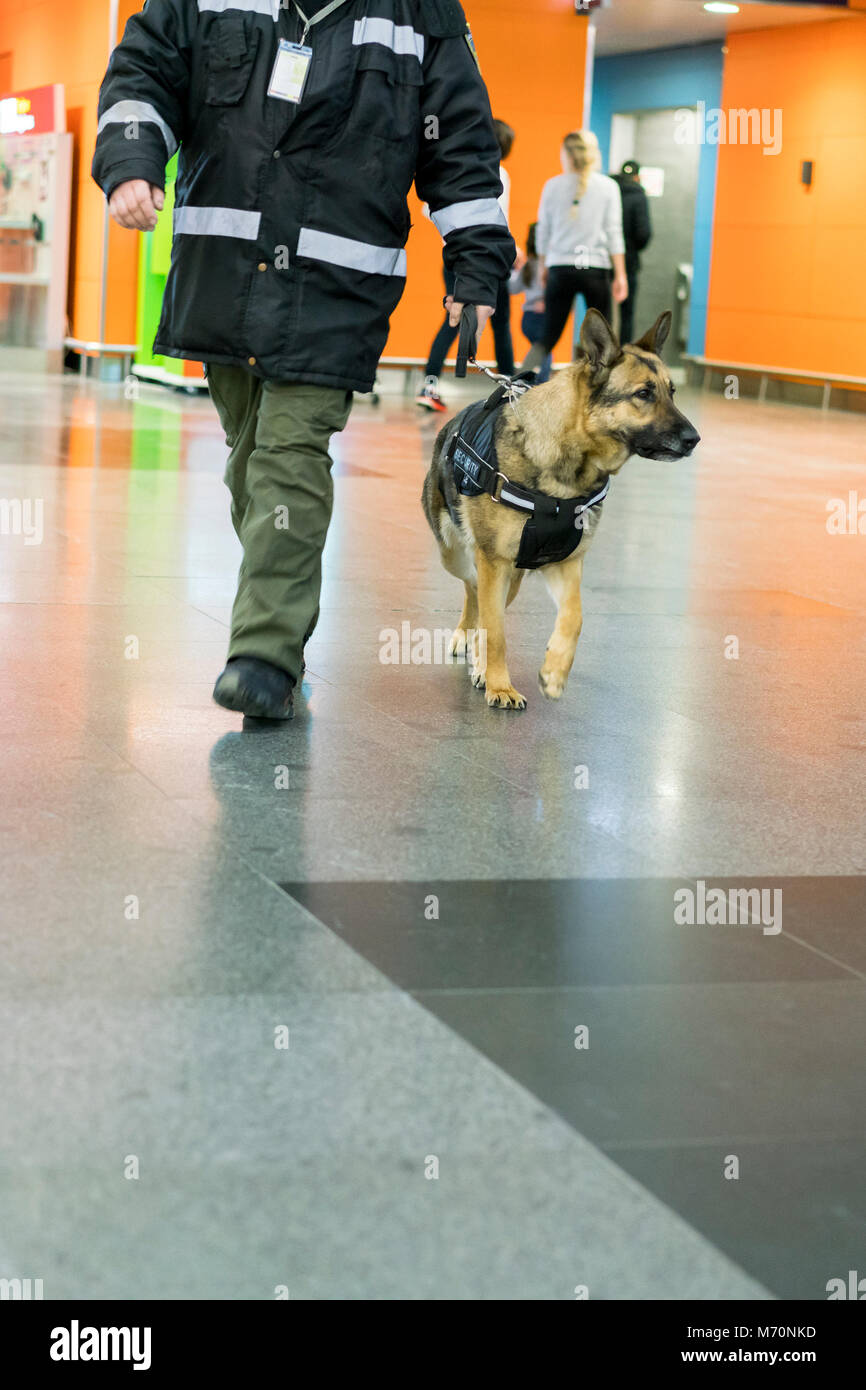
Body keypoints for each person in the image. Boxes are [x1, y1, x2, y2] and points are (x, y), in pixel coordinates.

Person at [93, 0, 515, 720]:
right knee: (250, 459)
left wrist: (476, 266)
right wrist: (132, 161)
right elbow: (147, 71)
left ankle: (265, 653)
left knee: (289, 452)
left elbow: (462, 140)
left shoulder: (422, 14)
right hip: (225, 276)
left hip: (337, 283)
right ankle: (279, 614)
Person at [416, 117, 518, 412]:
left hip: (454, 257)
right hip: (487, 261)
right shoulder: (499, 172)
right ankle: (509, 387)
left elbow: (428, 208)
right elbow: (498, 222)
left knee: (452, 319)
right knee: (500, 324)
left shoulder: (459, 170)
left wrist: (455, 234)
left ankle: (428, 386)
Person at [521, 130, 627, 374]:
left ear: (566, 154)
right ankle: (603, 393)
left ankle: (516, 386)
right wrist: (620, 275)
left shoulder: (552, 185)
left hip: (560, 268)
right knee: (604, 338)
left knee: (548, 336)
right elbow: (614, 233)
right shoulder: (609, 187)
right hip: (596, 270)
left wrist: (545, 267)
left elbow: (543, 231)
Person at [613, 159, 652, 345]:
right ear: (637, 177)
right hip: (628, 262)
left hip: (603, 261)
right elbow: (643, 234)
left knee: (600, 312)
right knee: (626, 314)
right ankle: (622, 355)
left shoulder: (610, 191)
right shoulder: (639, 196)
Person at [509, 223, 552, 383]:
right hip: (541, 316)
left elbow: (513, 288)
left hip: (527, 319)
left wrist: (515, 269)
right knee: (546, 350)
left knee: (540, 350)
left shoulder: (528, 266)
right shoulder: (548, 266)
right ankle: (540, 383)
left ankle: (524, 379)